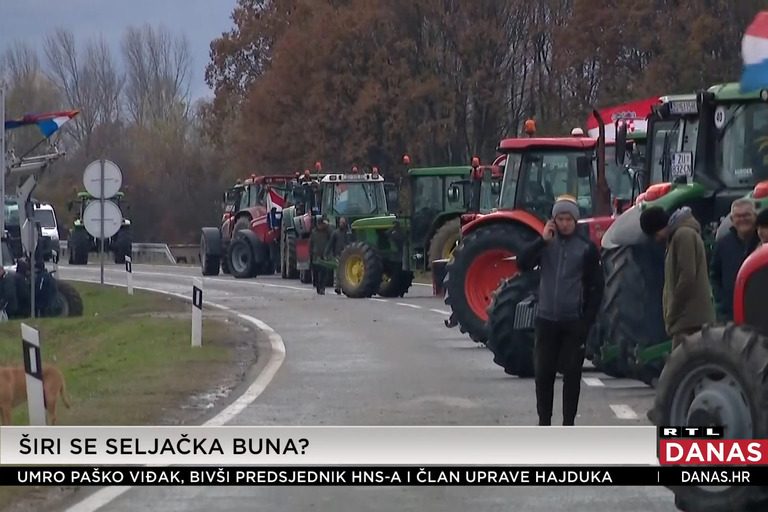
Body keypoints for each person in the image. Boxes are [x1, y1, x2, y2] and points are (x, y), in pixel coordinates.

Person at [517, 196, 605, 426]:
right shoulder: (546, 245)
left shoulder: (586, 249)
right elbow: (522, 263)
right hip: (546, 320)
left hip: (573, 322)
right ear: (553, 220)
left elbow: (597, 287)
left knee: (572, 375)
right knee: (543, 374)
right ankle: (544, 421)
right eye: (560, 218)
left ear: (575, 221)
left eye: (568, 219)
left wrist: (586, 321)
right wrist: (541, 241)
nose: (564, 223)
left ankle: (568, 424)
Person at [639, 206, 715, 350]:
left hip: (689, 319)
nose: (657, 239)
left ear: (660, 226)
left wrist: (673, 311)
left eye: (655, 234)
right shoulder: (678, 236)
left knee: (681, 368)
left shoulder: (682, 235)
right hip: (687, 318)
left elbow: (687, 277)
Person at [710, 199, 760, 321]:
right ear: (732, 220)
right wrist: (723, 299)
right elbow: (714, 274)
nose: (742, 219)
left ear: (755, 217)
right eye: (738, 216)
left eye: (747, 215)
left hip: (761, 310)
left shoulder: (764, 241)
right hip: (731, 313)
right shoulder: (723, 244)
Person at [325, 217, 352, 294]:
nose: (341, 224)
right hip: (338, 255)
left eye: (343, 222)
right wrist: (326, 253)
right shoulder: (335, 233)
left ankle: (344, 287)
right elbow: (330, 244)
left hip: (348, 255)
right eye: (340, 222)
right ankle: (338, 287)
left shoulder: (349, 232)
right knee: (338, 272)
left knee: (346, 272)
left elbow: (353, 241)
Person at [308, 215, 331, 294]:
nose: (321, 226)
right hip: (316, 256)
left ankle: (322, 287)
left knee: (324, 273)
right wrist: (311, 254)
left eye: (322, 224)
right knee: (316, 273)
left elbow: (332, 236)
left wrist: (328, 226)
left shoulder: (327, 232)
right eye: (319, 224)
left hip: (324, 256)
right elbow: (310, 244)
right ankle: (318, 287)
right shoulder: (314, 233)